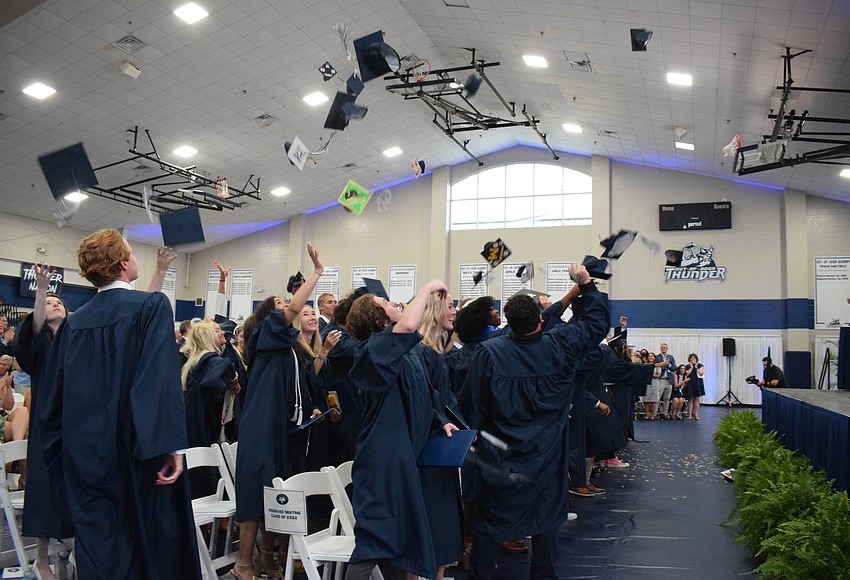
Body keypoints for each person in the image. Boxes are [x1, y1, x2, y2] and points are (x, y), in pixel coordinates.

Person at [40, 228, 201, 579]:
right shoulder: (152, 306)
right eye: (131, 251)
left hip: (84, 457)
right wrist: (172, 445)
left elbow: (54, 398)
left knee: (98, 548)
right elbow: (157, 380)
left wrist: (60, 454)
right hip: (136, 451)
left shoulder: (74, 323)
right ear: (124, 264)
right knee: (145, 544)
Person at [459, 263, 608, 580]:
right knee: (546, 521)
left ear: (508, 322)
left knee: (490, 523)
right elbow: (596, 325)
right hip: (547, 457)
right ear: (541, 319)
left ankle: (481, 574)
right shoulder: (561, 346)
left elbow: (472, 407)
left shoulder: (488, 353)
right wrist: (586, 285)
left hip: (501, 459)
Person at [344, 280, 456, 580]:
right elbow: (407, 328)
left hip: (402, 458)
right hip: (382, 463)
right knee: (374, 542)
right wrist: (429, 287)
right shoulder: (372, 351)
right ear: (380, 320)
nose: (396, 304)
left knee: (399, 541)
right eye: (387, 304)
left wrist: (439, 419)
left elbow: (421, 395)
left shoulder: (408, 354)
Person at [232, 244, 324, 580]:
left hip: (281, 427)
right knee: (256, 496)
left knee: (276, 495)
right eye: (280, 305)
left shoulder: (287, 348)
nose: (288, 307)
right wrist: (316, 273)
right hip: (259, 426)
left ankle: (266, 559)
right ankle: (242, 564)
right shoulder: (266, 337)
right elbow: (294, 307)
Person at [11, 265, 73, 580]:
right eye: (48, 303)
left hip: (76, 425)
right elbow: (31, 333)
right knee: (45, 490)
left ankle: (80, 551)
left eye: (57, 301)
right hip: (46, 426)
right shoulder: (39, 348)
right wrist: (41, 289)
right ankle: (42, 560)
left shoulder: (77, 339)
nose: (54, 303)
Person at [415, 291, 462, 580]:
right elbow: (424, 400)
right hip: (427, 445)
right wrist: (441, 420)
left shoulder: (434, 350)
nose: (454, 311)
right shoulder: (422, 352)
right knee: (434, 515)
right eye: (450, 306)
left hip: (440, 440)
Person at [181, 320, 239, 497]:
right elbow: (213, 381)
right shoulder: (211, 360)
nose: (222, 333)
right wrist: (230, 377)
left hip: (196, 418)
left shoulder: (196, 361)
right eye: (217, 330)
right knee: (205, 465)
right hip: (202, 421)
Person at [656, 343, 676, 418]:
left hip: (669, 379)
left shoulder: (670, 357)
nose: (663, 349)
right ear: (660, 348)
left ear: (667, 348)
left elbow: (674, 368)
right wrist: (663, 364)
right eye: (662, 347)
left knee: (667, 398)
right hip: (661, 379)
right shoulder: (658, 357)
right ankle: (655, 413)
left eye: (665, 347)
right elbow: (656, 365)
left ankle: (665, 413)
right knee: (658, 396)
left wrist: (669, 365)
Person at [684, 353, 706, 420]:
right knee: (690, 399)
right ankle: (690, 414)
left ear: (696, 359)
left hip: (697, 383)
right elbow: (687, 373)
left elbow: (701, 373)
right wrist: (691, 367)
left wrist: (696, 367)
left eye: (694, 358)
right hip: (690, 383)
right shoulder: (687, 366)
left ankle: (696, 414)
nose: (692, 359)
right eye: (691, 358)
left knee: (696, 399)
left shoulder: (700, 365)